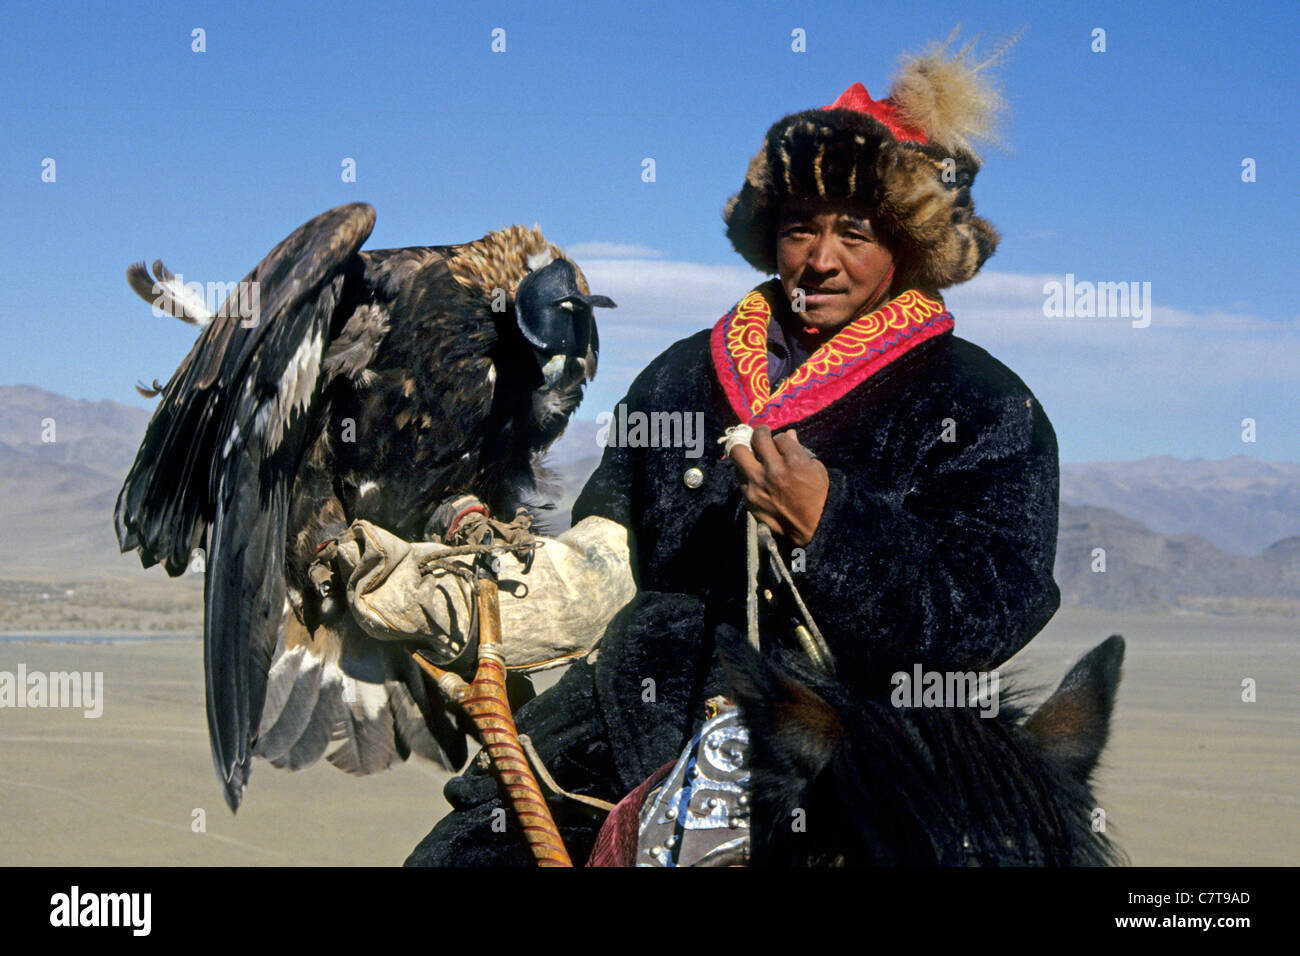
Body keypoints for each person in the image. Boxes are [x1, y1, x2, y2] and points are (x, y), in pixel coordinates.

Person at [364, 34, 1060, 866]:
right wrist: (478, 602)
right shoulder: (683, 374)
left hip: (860, 752)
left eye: (854, 231)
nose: (823, 258)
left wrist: (832, 526)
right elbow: (612, 547)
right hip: (630, 722)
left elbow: (991, 609)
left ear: (905, 245)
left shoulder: (983, 404)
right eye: (802, 228)